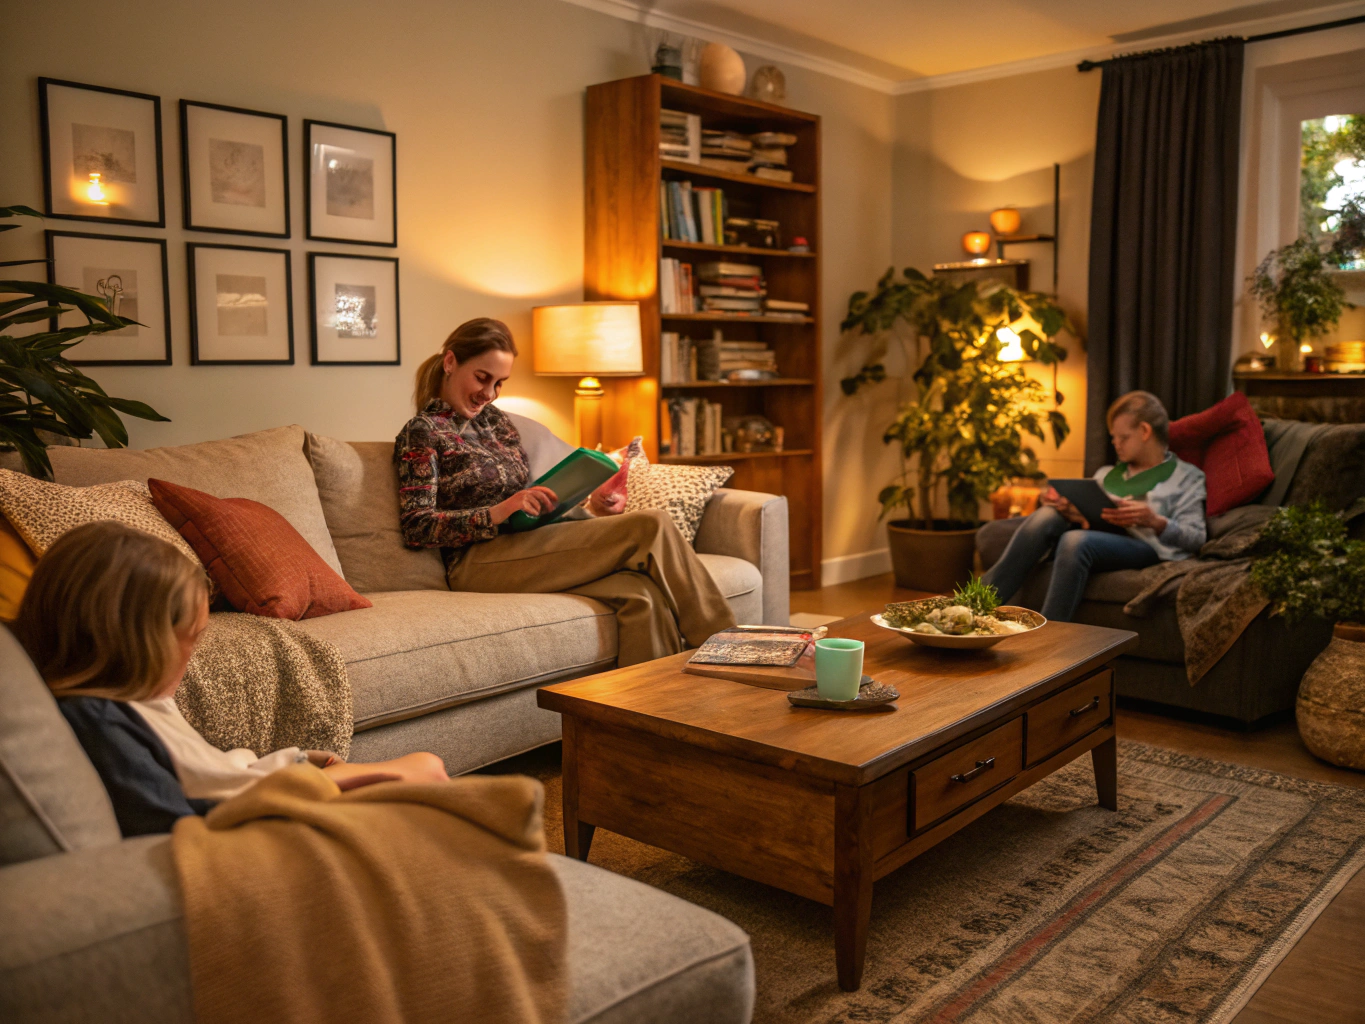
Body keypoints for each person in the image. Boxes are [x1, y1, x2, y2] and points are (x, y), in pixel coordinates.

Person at [14, 521, 447, 838]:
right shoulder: (100, 719)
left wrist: (296, 760)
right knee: (427, 771)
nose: (194, 653)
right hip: (255, 816)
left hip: (269, 789)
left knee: (428, 774)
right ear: (139, 641)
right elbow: (175, 820)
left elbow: (209, 768)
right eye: (190, 639)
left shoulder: (141, 700)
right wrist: (304, 785)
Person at [394, 317, 736, 665]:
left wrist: (561, 500)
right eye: (483, 378)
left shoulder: (496, 422)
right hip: (476, 561)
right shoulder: (422, 432)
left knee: (641, 594)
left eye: (500, 383)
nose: (489, 393)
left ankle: (652, 709)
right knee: (653, 524)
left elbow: (527, 491)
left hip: (528, 543)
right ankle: (731, 652)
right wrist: (499, 511)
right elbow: (417, 526)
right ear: (450, 363)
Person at [981, 390, 1207, 623]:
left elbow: (1197, 537)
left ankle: (1049, 633)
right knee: (1048, 515)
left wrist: (1155, 521)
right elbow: (1093, 517)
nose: (1115, 444)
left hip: (1146, 547)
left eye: (1123, 437)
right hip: (1102, 536)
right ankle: (978, 603)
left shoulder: (1186, 477)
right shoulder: (1106, 474)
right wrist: (1071, 510)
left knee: (1075, 541)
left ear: (1145, 431)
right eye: (1113, 437)